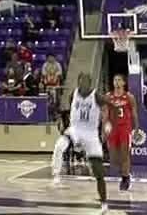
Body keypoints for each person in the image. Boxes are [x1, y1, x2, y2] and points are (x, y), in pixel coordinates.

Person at [51, 73, 109, 212]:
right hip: (75, 129)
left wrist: (105, 123)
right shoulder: (74, 93)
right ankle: (56, 175)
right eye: (81, 81)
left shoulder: (96, 96)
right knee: (59, 145)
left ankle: (104, 202)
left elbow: (106, 108)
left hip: (90, 133)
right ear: (78, 82)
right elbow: (71, 110)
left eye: (86, 81)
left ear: (90, 83)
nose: (83, 83)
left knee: (98, 172)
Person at [105, 73, 138, 191]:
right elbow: (105, 113)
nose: (117, 82)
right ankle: (125, 171)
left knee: (125, 155)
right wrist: (104, 127)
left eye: (119, 80)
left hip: (125, 128)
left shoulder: (129, 97)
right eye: (115, 80)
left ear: (124, 83)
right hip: (113, 129)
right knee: (113, 159)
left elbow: (134, 113)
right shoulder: (108, 96)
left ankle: (125, 178)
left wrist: (137, 128)